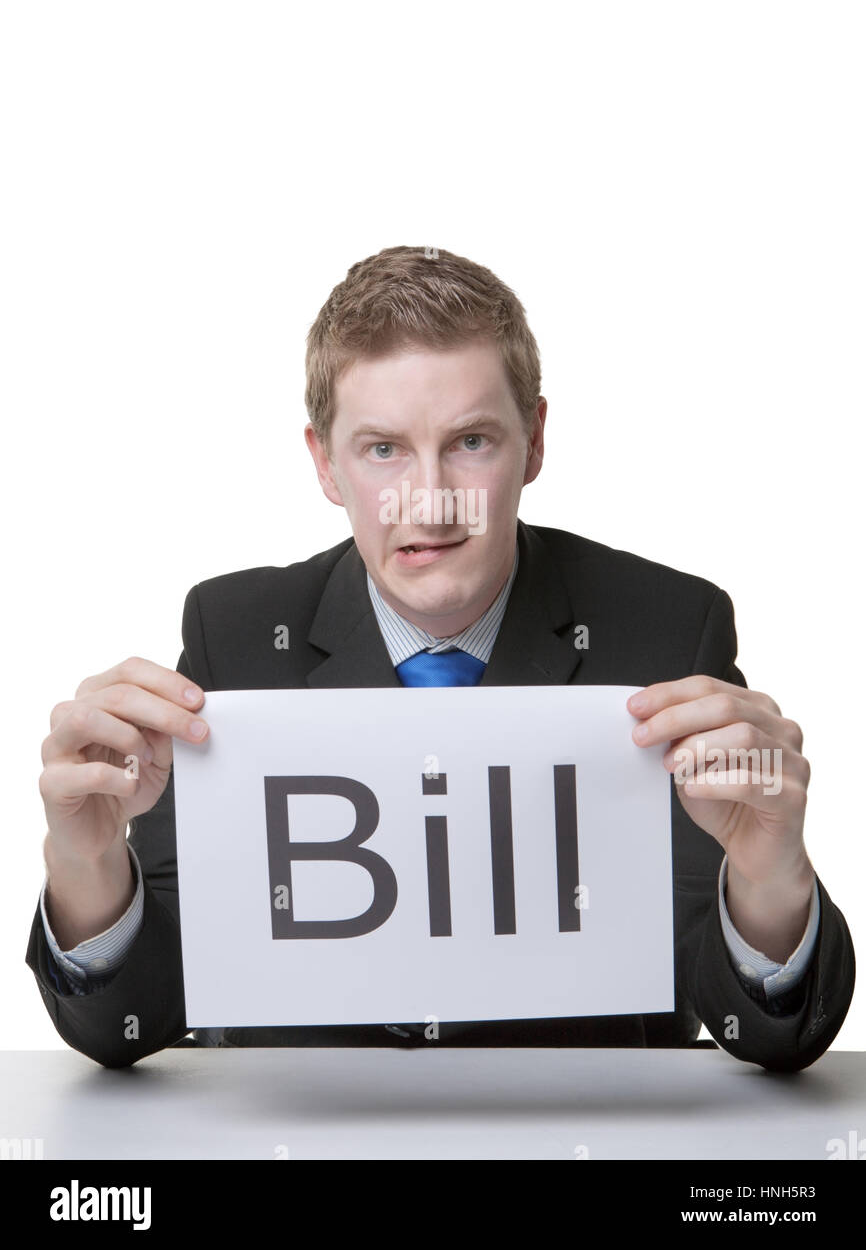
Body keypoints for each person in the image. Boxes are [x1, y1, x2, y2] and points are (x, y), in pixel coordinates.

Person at [28, 245, 855, 1070]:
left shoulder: (668, 633)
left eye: (470, 440)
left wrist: (768, 879)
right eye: (383, 450)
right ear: (325, 463)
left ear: (533, 442)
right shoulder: (235, 636)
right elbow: (131, 1025)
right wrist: (90, 867)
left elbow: (770, 1038)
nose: (429, 498)